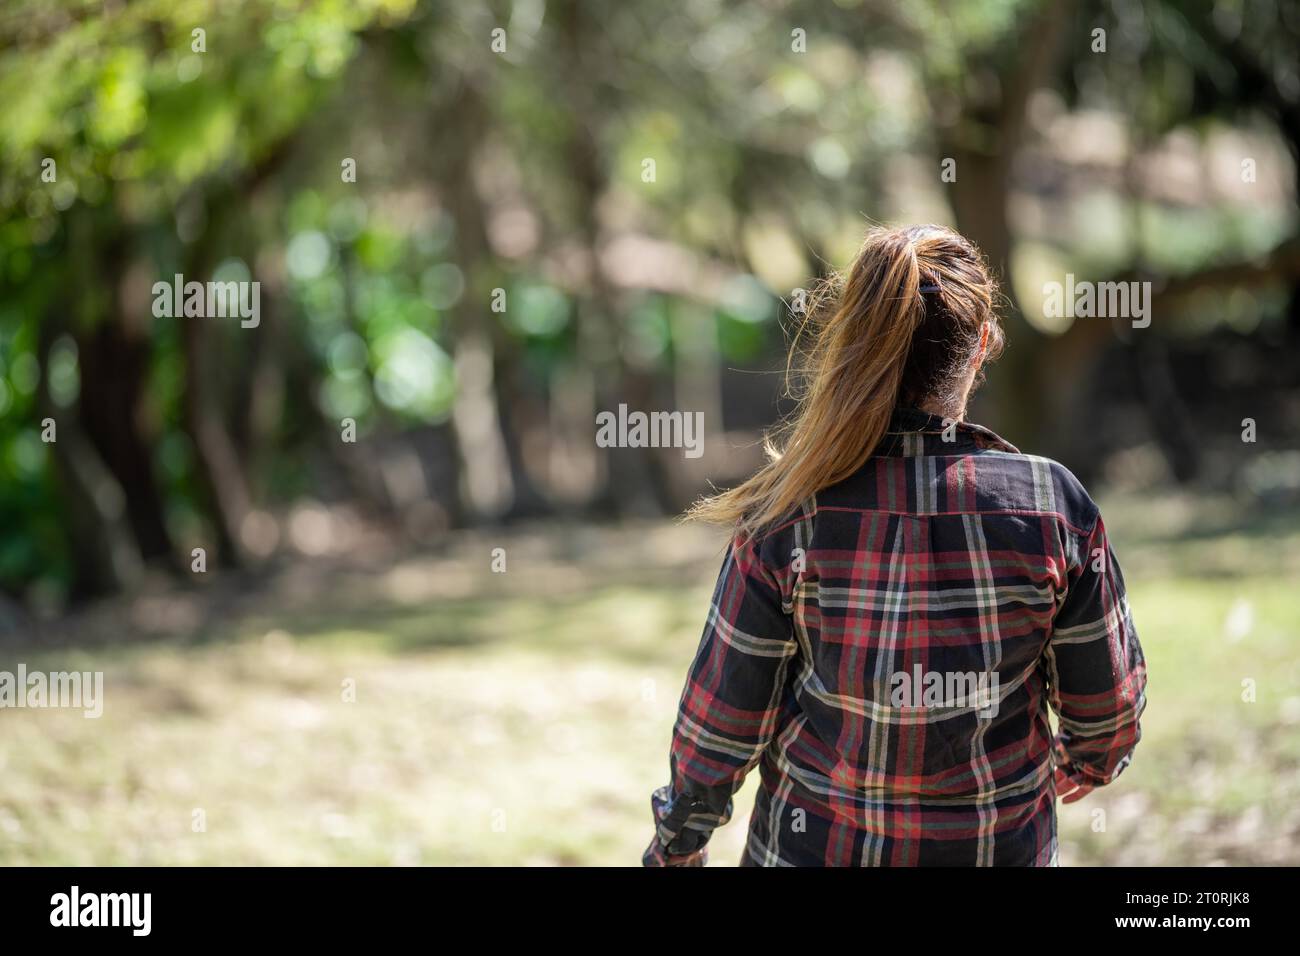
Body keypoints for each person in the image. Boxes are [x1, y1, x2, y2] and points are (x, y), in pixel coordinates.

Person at [643, 224, 1147, 867]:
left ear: (855, 344)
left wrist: (678, 844)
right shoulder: (1052, 508)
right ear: (984, 344)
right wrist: (1093, 761)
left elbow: (720, 723)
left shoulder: (787, 514)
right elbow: (1107, 712)